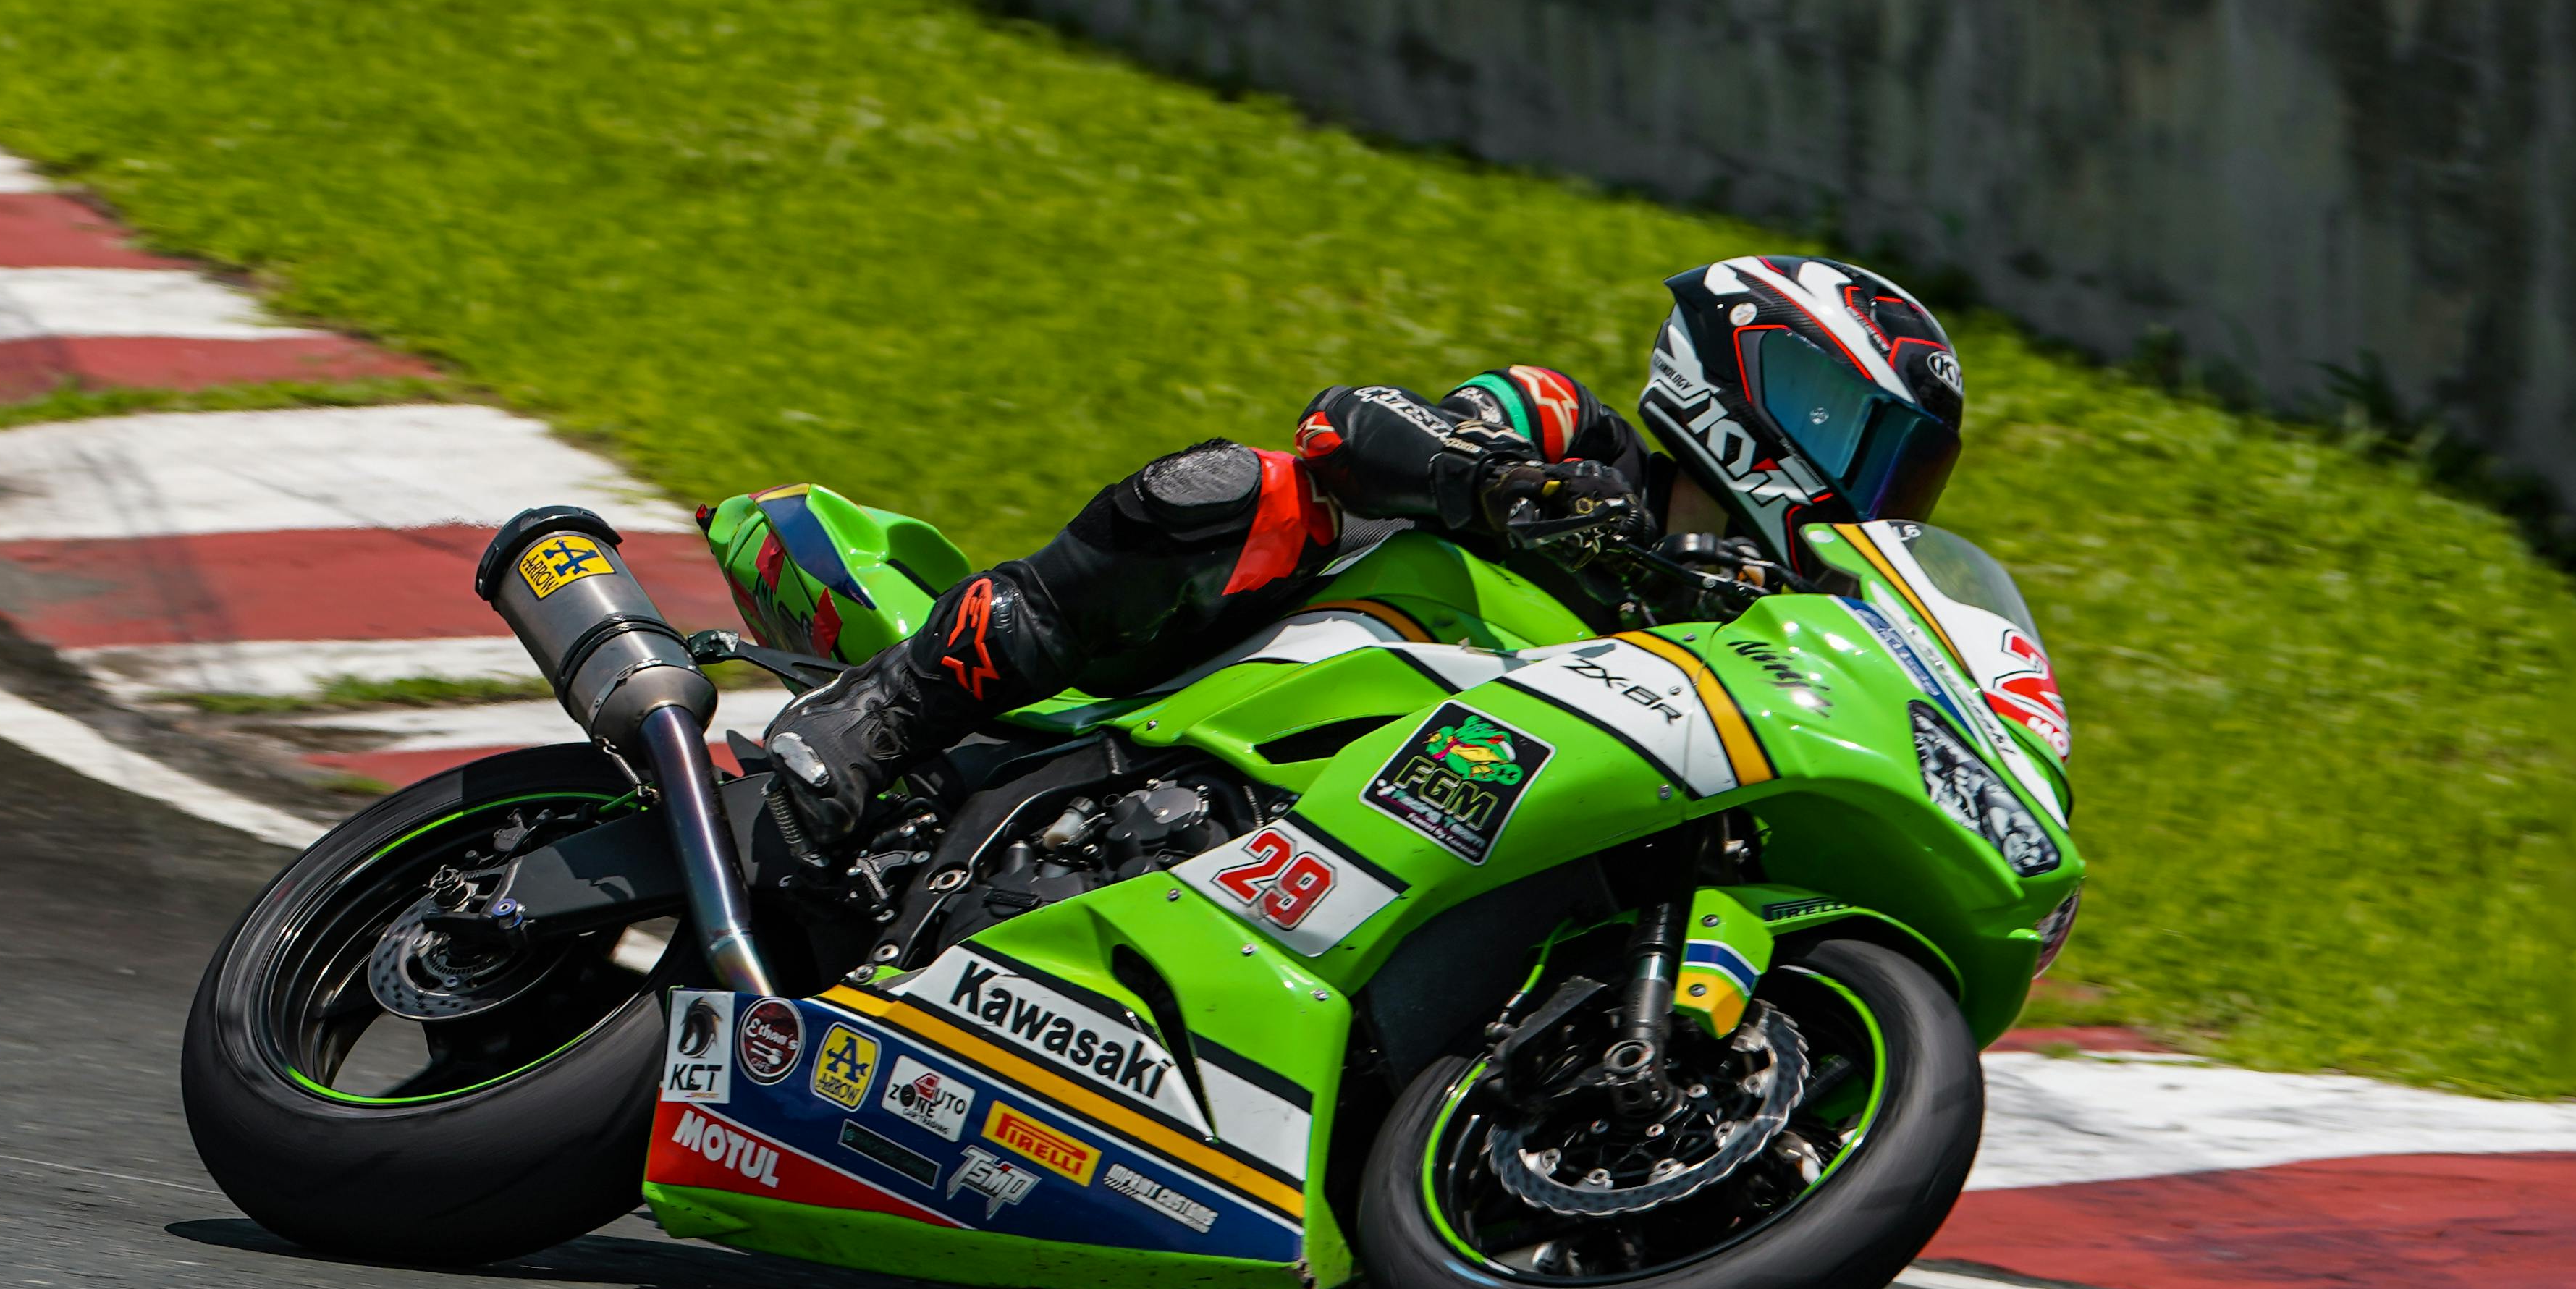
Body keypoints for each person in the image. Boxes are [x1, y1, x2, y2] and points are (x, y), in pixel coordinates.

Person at [764, 254, 1965, 859]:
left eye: (1904, 473)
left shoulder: (1766, 616)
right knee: (1244, 490)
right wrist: (1499, 482)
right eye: (1858, 439)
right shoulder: (1565, 427)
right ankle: (890, 710)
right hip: (1233, 682)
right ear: (1760, 384)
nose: (1870, 492)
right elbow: (1355, 420)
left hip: (1450, 809)